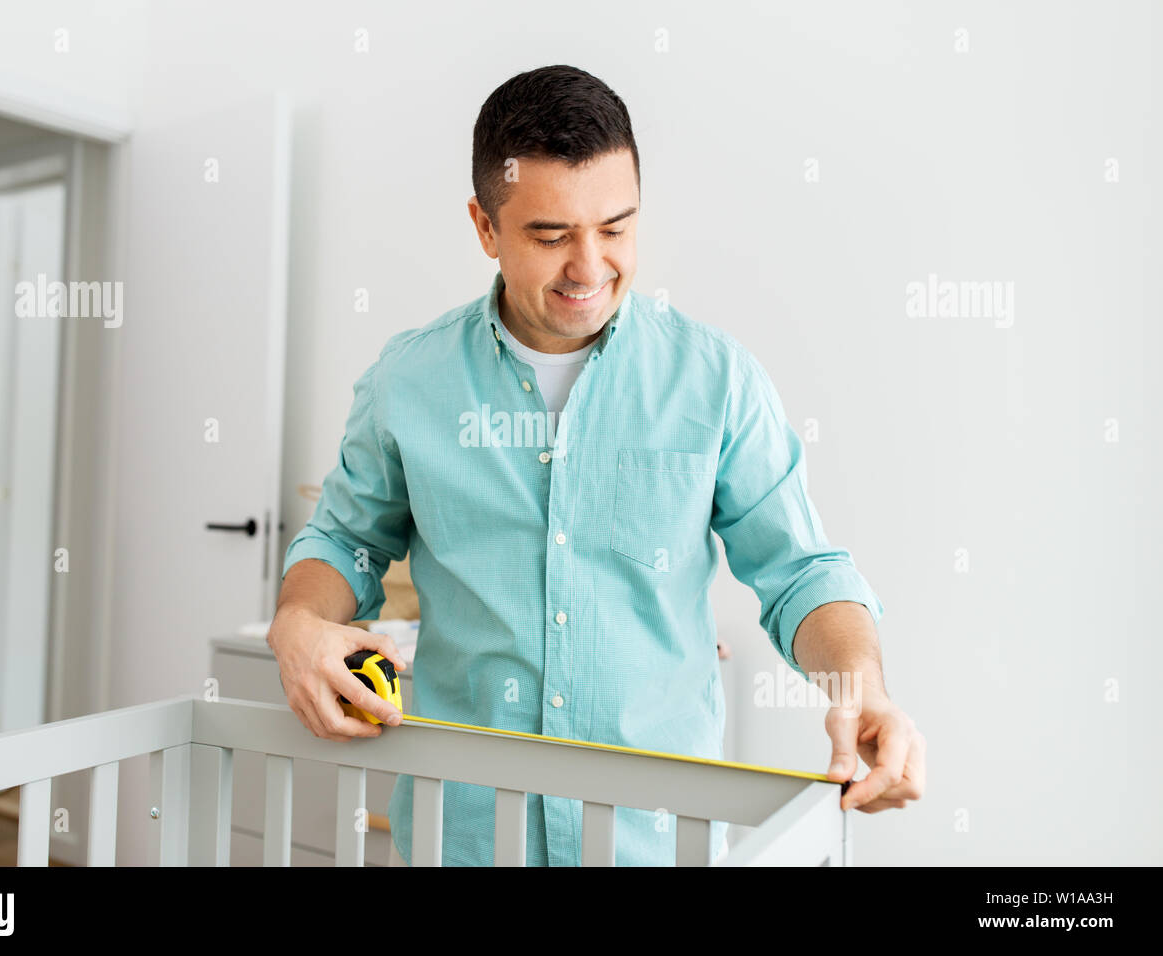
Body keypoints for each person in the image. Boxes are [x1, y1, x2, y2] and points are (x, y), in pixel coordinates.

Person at [266, 64, 926, 867]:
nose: (590, 267)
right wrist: (299, 623)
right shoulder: (408, 383)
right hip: (464, 839)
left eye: (615, 228)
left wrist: (861, 688)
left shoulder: (715, 380)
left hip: (654, 842)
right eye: (551, 236)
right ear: (485, 227)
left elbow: (801, 571)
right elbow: (343, 543)